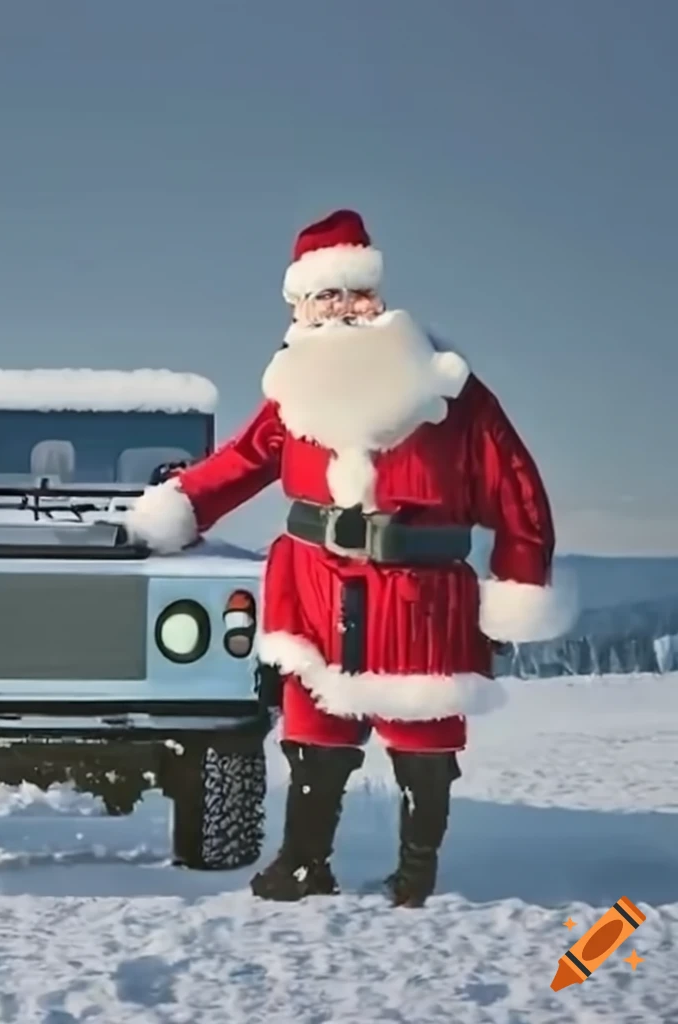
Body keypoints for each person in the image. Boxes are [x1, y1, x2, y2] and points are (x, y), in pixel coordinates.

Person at [124, 208, 578, 906]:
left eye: (353, 294)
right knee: (314, 731)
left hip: (419, 592)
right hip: (315, 584)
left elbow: (516, 485)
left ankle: (416, 875)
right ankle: (304, 864)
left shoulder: (447, 386)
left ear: (378, 294)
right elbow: (245, 461)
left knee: (423, 739)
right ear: (300, 306)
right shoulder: (293, 391)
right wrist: (177, 508)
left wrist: (519, 579)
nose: (340, 310)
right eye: (324, 297)